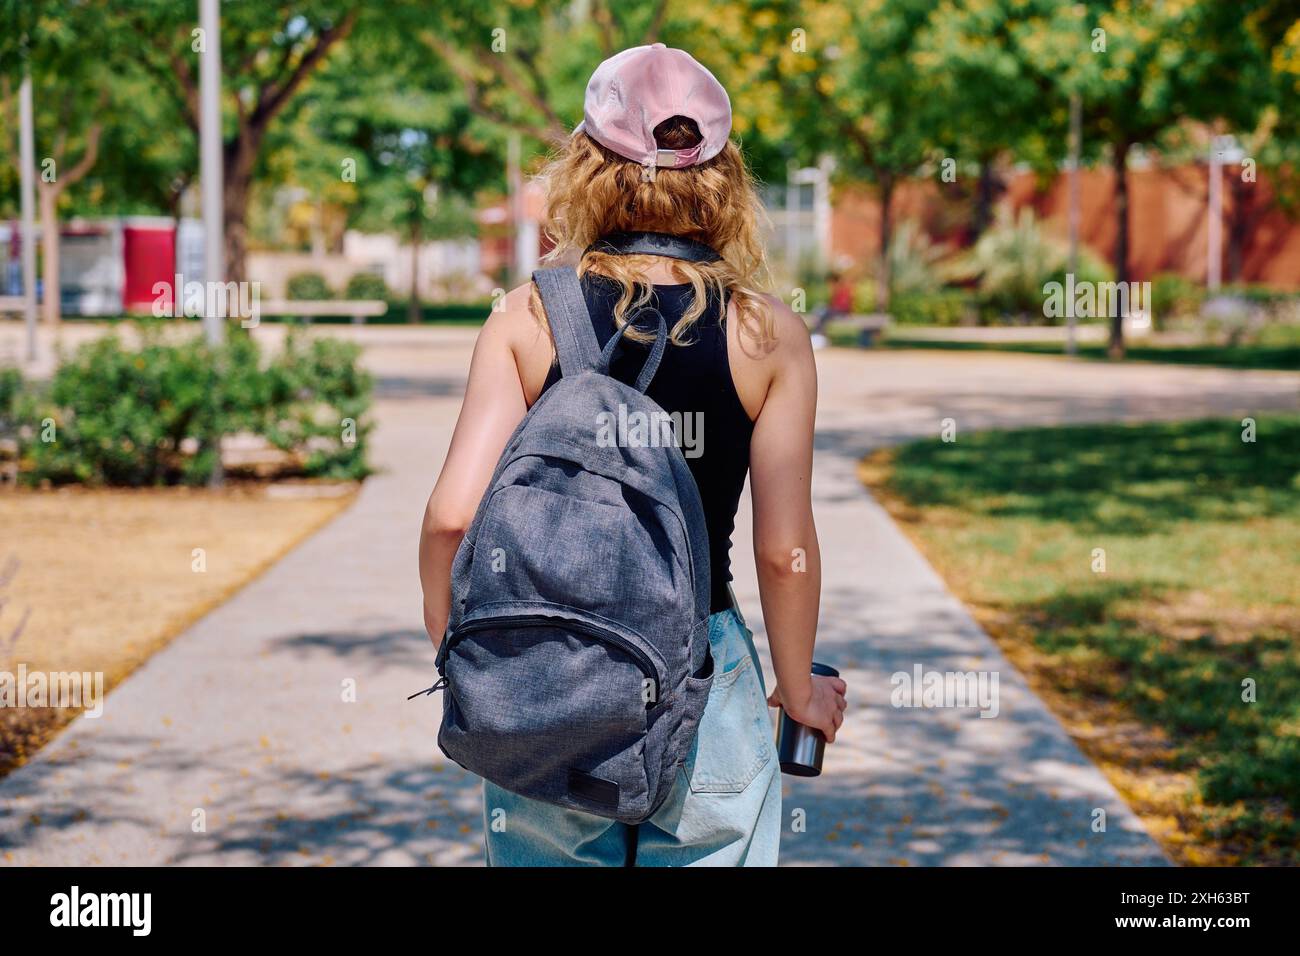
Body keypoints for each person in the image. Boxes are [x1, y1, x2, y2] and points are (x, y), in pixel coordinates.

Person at [417, 43, 847, 866]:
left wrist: (462, 650)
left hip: (547, 676)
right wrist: (797, 691)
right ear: (721, 179)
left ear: (586, 165)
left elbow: (451, 517)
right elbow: (784, 552)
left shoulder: (524, 318)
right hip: (703, 673)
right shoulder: (767, 334)